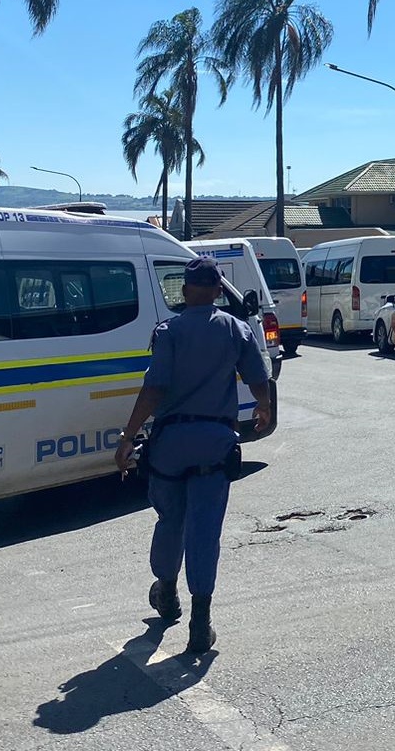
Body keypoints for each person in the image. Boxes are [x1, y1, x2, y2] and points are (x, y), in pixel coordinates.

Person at [114, 256, 272, 655]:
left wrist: (128, 436)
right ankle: (200, 624)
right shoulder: (235, 329)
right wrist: (264, 409)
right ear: (219, 291)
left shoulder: (168, 331)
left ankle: (167, 594)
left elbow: (154, 390)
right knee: (204, 530)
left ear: (184, 292)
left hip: (169, 445)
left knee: (171, 520)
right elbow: (259, 377)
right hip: (215, 443)